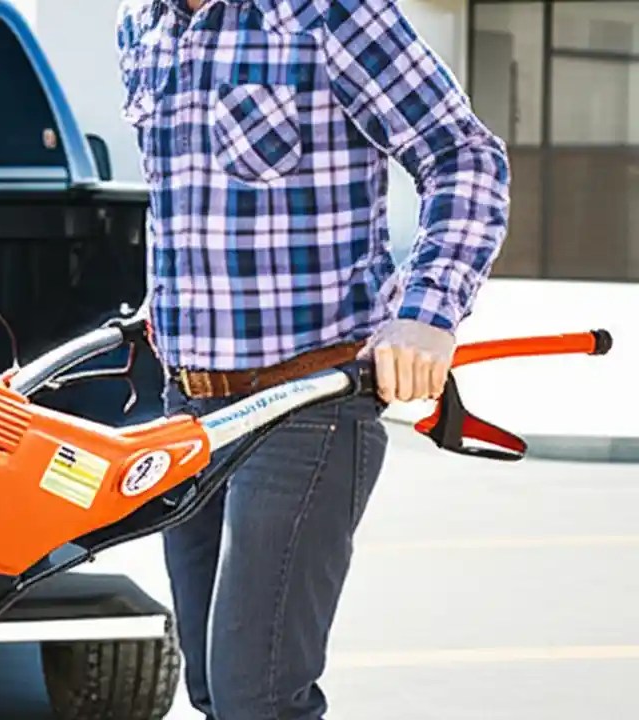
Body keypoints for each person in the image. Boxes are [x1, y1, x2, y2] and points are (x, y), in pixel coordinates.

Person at [115, 0, 510, 717]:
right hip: (188, 407)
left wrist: (426, 313)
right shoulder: (143, 24)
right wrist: (167, 303)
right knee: (212, 688)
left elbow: (464, 157)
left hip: (307, 402)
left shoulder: (326, 14)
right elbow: (189, 197)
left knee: (257, 696)